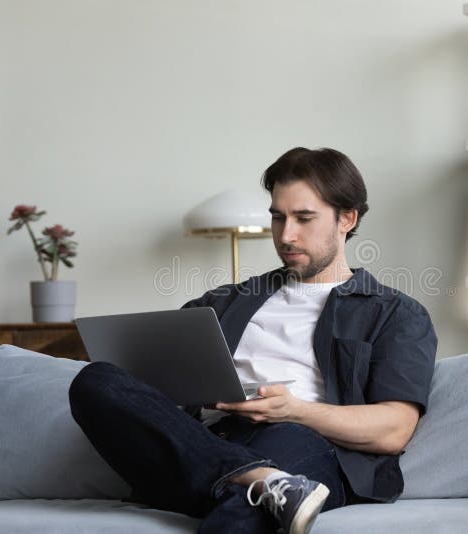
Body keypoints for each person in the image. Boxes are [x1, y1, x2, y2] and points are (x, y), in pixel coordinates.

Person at [68, 147, 438, 534]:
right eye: (277, 217)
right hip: (204, 438)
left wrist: (294, 411)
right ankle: (261, 479)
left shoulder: (394, 313)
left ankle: (256, 482)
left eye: (304, 218)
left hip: (298, 438)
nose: (286, 235)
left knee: (246, 511)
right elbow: (149, 386)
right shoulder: (222, 302)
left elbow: (394, 429)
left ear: (347, 218)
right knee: (96, 379)